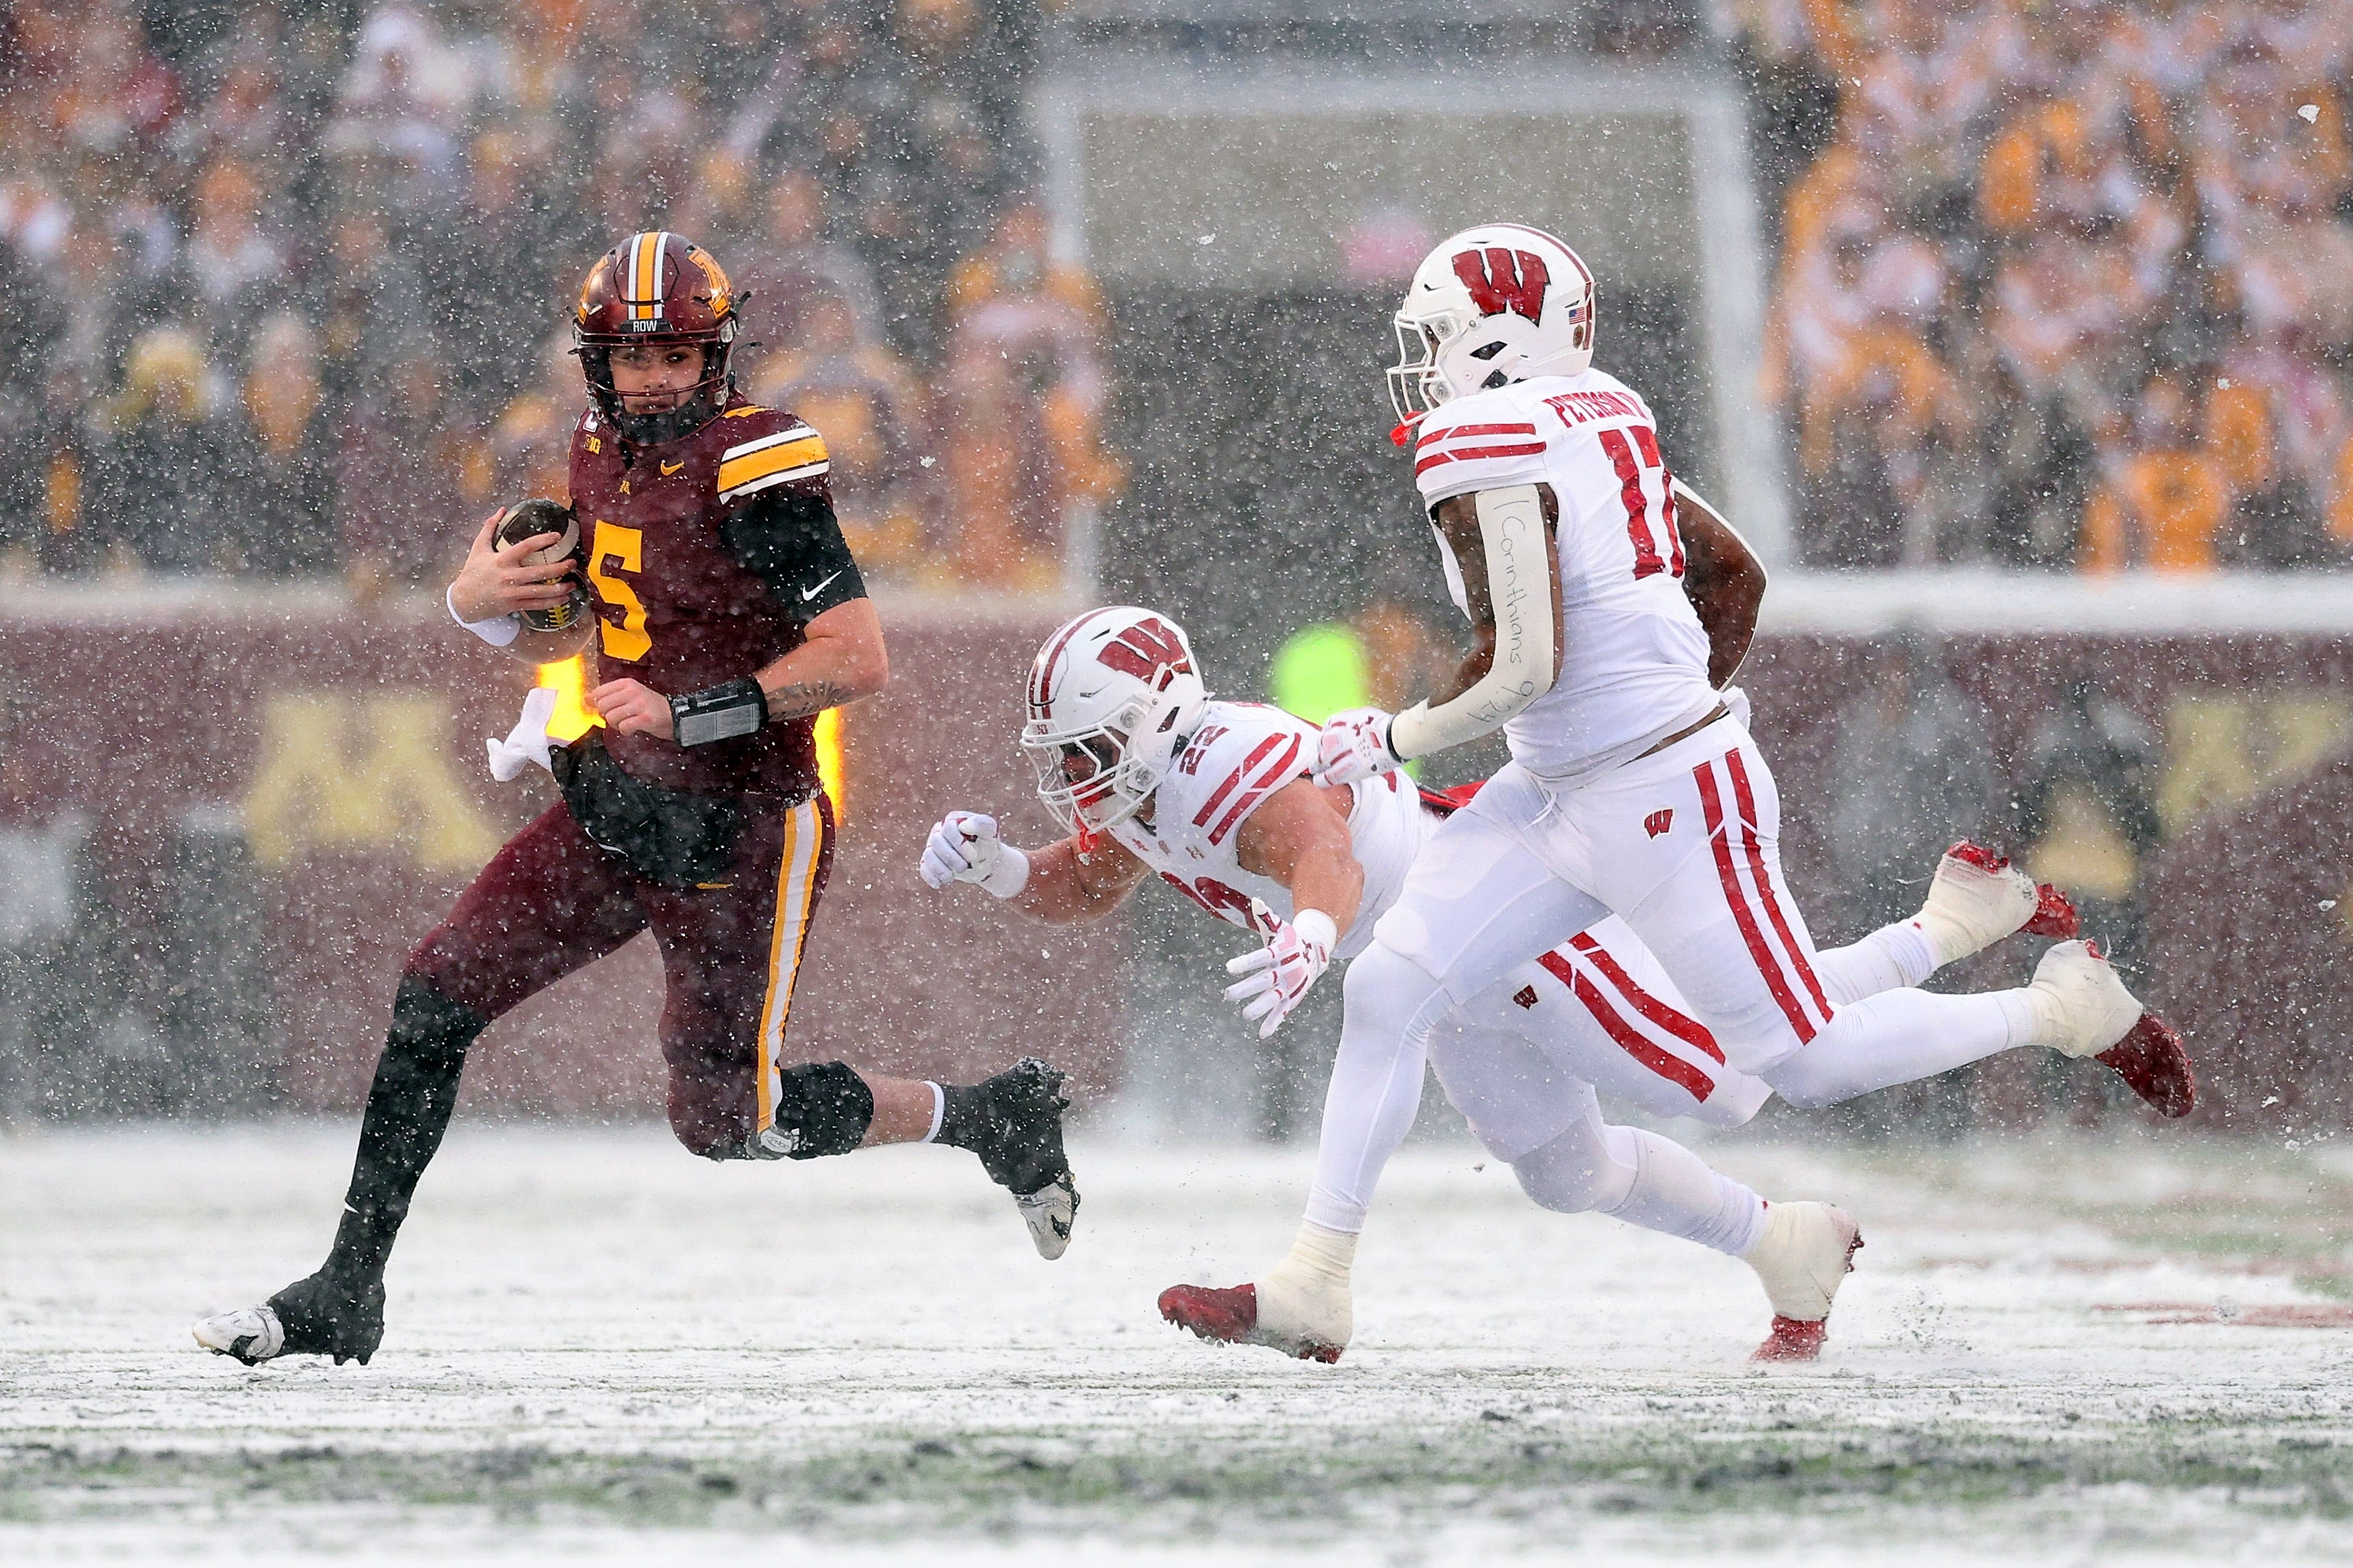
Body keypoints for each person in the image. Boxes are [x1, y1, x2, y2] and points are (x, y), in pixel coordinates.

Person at [1150, 225, 2196, 1362]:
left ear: (1502, 344)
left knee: (1795, 1058)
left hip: (1662, 794)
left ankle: (2057, 1009)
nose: (1426, 359)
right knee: (1394, 980)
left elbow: (1524, 666)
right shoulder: (1606, 409)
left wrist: (1399, 735)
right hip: (1557, 789)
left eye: (1443, 336)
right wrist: (1638, 695)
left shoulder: (1487, 436)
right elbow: (1731, 571)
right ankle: (1317, 1279)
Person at [194, 231, 1078, 1370]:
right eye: (630, 355)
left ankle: (992, 1117)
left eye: (674, 354)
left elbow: (856, 656)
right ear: (595, 360)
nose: (654, 377)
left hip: (745, 827)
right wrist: (481, 608)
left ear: (714, 354)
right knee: (433, 997)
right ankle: (348, 1285)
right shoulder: (594, 448)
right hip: (621, 808)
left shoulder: (758, 458)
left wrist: (693, 713)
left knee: (733, 1124)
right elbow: (604, 625)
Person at [920, 607, 2083, 1361]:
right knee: (1567, 1172)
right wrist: (1006, 870)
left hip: (1499, 937)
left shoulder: (1221, 757)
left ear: (1158, 718)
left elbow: (1314, 843)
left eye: (1084, 749)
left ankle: (1984, 964)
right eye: (1061, 758)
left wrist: (1316, 930)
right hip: (1440, 970)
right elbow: (1090, 878)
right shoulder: (1146, 785)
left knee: (1737, 1074)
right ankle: (1780, 1240)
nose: (1071, 778)